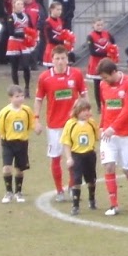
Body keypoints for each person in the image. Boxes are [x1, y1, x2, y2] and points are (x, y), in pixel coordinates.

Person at [35, 47, 87, 202]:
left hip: (73, 124)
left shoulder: (76, 74)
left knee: (74, 158)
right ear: (52, 60)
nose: (60, 61)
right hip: (54, 126)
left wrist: (86, 115)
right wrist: (36, 119)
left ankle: (72, 186)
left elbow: (84, 95)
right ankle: (59, 190)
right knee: (55, 158)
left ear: (67, 59)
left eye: (63, 58)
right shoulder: (45, 77)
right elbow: (39, 99)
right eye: (57, 58)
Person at [95, 61, 128, 216]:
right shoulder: (103, 86)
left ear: (114, 72)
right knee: (109, 166)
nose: (104, 81)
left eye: (106, 77)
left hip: (126, 134)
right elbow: (105, 106)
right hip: (108, 134)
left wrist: (114, 127)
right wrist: (102, 126)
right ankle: (114, 205)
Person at [0, 84, 40, 204]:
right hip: (8, 143)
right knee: (7, 168)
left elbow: (32, 123)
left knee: (19, 169)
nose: (20, 98)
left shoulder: (26, 110)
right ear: (10, 98)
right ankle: (9, 192)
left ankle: (18, 192)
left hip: (22, 144)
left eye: (22, 96)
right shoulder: (5, 112)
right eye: (17, 96)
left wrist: (37, 128)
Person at [60, 97, 99, 215]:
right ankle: (75, 205)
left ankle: (92, 199)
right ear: (77, 111)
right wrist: (69, 158)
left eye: (88, 110)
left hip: (90, 154)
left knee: (91, 179)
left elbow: (98, 136)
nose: (86, 113)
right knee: (76, 180)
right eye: (84, 110)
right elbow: (66, 142)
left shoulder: (91, 123)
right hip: (77, 155)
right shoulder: (70, 124)